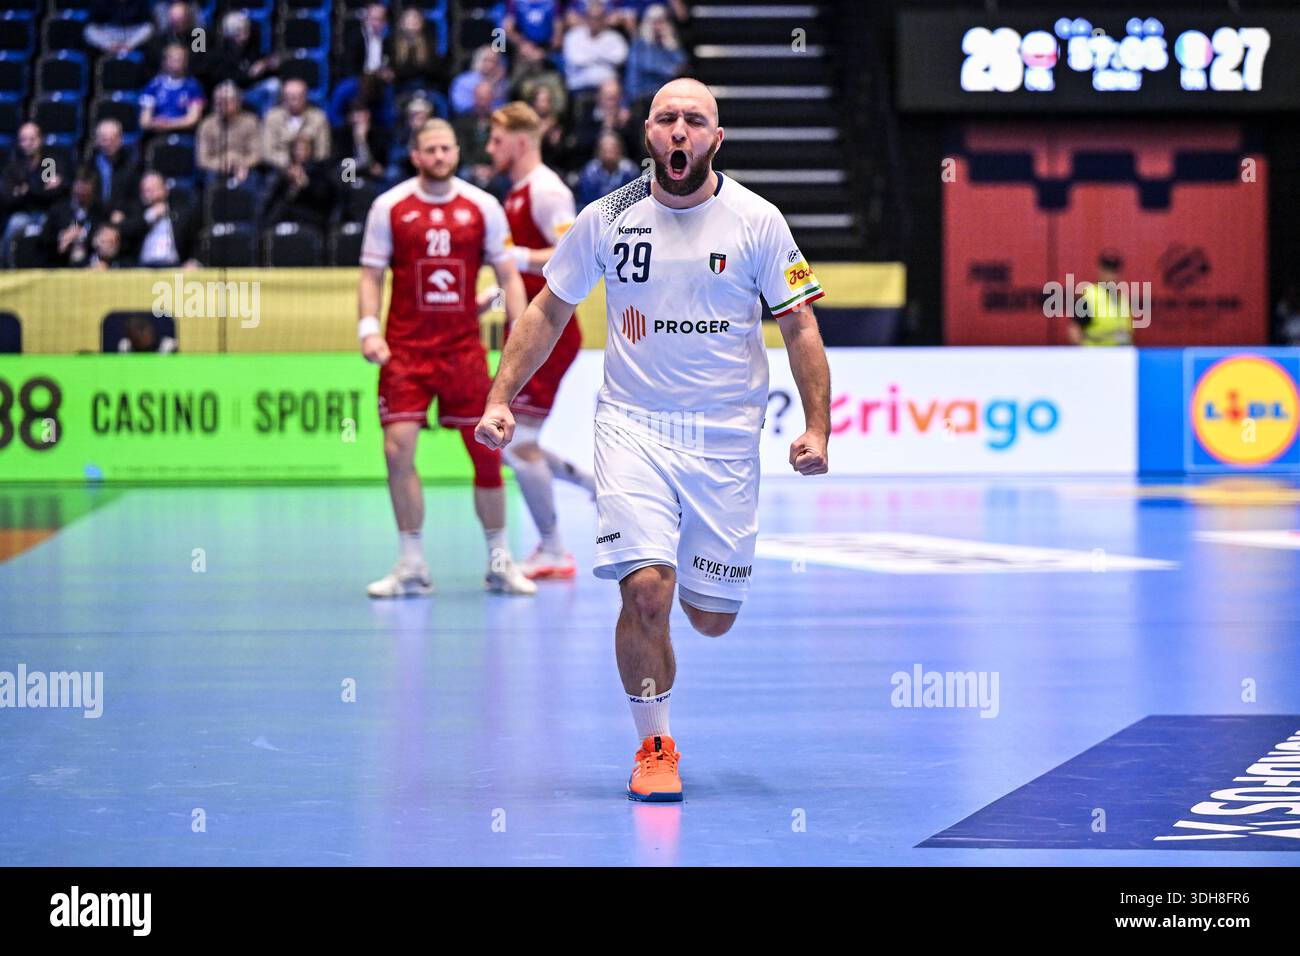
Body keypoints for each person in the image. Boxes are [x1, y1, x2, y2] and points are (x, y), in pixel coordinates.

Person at [475, 78, 830, 802]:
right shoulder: (607, 217)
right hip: (632, 427)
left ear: (715, 139)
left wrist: (816, 428)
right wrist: (500, 395)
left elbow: (799, 324)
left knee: (711, 617)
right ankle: (654, 744)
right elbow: (545, 310)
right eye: (666, 118)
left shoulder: (759, 221)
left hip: (727, 436)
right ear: (647, 133)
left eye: (694, 120)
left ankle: (699, 614)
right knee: (645, 592)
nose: (679, 130)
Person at [358, 118, 537, 598]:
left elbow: (507, 274)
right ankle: (412, 564)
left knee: (486, 454)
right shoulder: (389, 207)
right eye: (430, 150)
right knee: (397, 449)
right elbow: (371, 275)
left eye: (446, 148)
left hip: (463, 352)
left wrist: (518, 335)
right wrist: (368, 328)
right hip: (406, 353)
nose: (439, 156)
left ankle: (500, 561)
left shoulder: (482, 207)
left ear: (457, 152)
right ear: (416, 156)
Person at [486, 102, 595, 579]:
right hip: (531, 331)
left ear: (521, 141)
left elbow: (574, 253)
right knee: (521, 441)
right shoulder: (516, 191)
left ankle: (553, 550)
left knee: (516, 444)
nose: (490, 149)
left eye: (496, 140)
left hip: (552, 331)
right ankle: (594, 484)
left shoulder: (547, 189)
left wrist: (516, 258)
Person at [1, 123, 66, 264]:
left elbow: (52, 195)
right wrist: (38, 190)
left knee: (51, 225)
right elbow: (7, 197)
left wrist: (26, 191)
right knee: (14, 224)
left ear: (40, 139)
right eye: (24, 140)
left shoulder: (48, 163)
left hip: (46, 213)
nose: (28, 143)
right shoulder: (14, 167)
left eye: (32, 139)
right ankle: (5, 266)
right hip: (23, 213)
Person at [119, 170, 198, 268]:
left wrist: (193, 260)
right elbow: (125, 233)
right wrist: (149, 216)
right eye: (145, 190)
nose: (149, 194)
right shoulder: (136, 212)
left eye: (153, 189)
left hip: (174, 266)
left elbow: (195, 238)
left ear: (165, 189)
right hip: (143, 267)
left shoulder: (181, 212)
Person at [196, 82, 261, 185]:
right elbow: (202, 159)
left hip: (245, 167)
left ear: (237, 103)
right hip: (215, 169)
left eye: (225, 102)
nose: (220, 106)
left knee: (253, 179)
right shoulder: (207, 125)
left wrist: (240, 164)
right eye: (217, 102)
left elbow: (256, 155)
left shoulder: (250, 122)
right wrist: (223, 164)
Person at [561, 0, 628, 96]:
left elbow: (620, 58)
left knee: (613, 90)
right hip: (579, 88)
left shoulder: (614, 37)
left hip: (607, 88)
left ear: (604, 18)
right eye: (591, 18)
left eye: (598, 18)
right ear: (585, 18)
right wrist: (603, 57)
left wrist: (589, 53)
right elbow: (576, 60)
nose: (595, 22)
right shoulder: (573, 36)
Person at [625, 4, 686, 106]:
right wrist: (671, 69)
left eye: (662, 21)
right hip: (642, 96)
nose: (658, 26)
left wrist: (671, 45)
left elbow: (682, 64)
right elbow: (648, 65)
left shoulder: (669, 43)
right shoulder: (639, 44)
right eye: (654, 22)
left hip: (665, 97)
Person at [263, 79, 332, 170]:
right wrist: (289, 166)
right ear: (283, 97)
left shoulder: (319, 118)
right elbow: (267, 152)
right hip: (279, 169)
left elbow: (323, 152)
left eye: (299, 96)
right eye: (290, 97)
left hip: (311, 168)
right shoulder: (272, 117)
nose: (294, 101)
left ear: (306, 96)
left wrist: (305, 166)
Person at [41, 166, 103, 267]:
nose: (81, 194)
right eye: (78, 192)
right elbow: (44, 239)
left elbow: (103, 238)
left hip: (90, 265)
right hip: (59, 264)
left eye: (85, 194)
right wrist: (62, 237)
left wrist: (82, 234)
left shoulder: (99, 211)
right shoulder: (58, 210)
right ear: (73, 187)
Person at [1068, 250, 1132, 346]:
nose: (1110, 275)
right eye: (1106, 270)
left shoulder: (1123, 300)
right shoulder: (1089, 296)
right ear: (1099, 271)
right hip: (1095, 356)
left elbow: (1126, 333)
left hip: (1118, 357)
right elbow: (1074, 332)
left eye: (1114, 271)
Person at [139, 44, 206, 135]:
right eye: (173, 59)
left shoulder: (193, 86)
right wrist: (154, 123)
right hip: (156, 133)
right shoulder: (154, 85)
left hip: (184, 134)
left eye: (180, 59)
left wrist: (169, 124)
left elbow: (193, 119)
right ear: (165, 61)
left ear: (186, 62)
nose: (176, 63)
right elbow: (144, 120)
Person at [577, 130, 639, 208]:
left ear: (620, 150)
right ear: (598, 151)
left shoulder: (630, 171)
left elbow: (635, 199)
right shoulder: (590, 172)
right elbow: (586, 199)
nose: (609, 153)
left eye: (612, 149)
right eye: (605, 149)